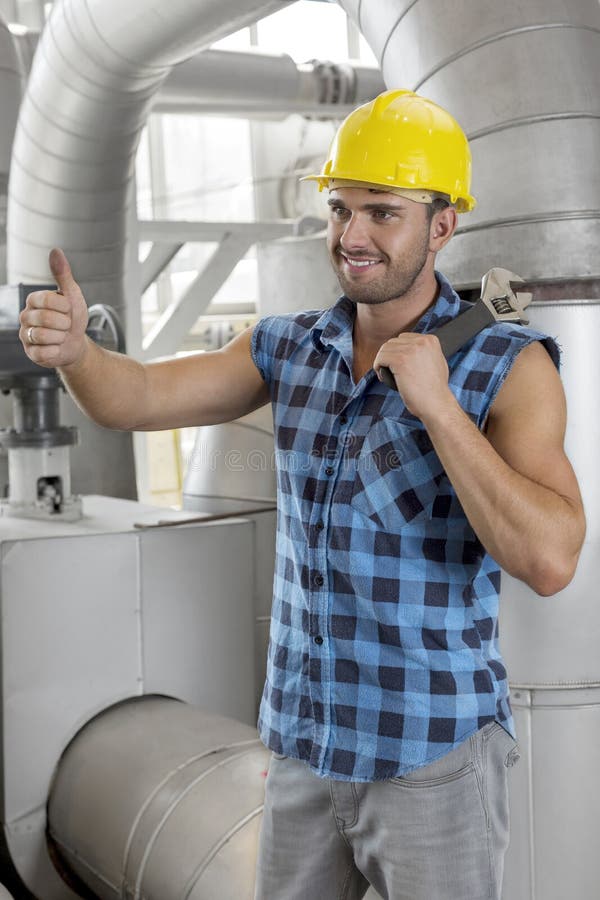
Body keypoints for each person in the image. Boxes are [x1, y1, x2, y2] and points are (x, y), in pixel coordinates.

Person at [20, 89, 585, 900]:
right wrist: (79, 355)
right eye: (340, 209)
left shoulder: (508, 365)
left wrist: (439, 408)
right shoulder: (287, 348)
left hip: (430, 755)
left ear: (443, 225)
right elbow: (135, 398)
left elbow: (551, 558)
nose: (352, 236)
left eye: (383, 213)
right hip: (304, 750)